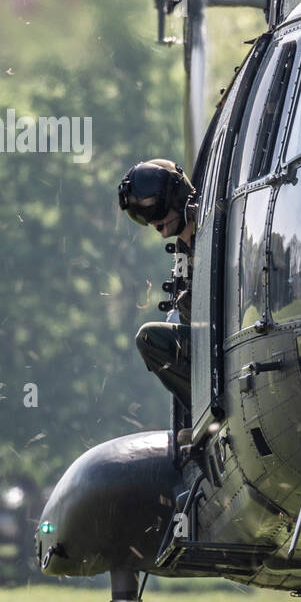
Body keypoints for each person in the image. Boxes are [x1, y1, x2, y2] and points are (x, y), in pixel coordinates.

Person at [117, 159, 197, 413]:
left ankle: (205, 411)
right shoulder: (184, 250)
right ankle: (202, 413)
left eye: (159, 218)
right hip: (208, 344)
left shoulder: (214, 229)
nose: (160, 231)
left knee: (149, 338)